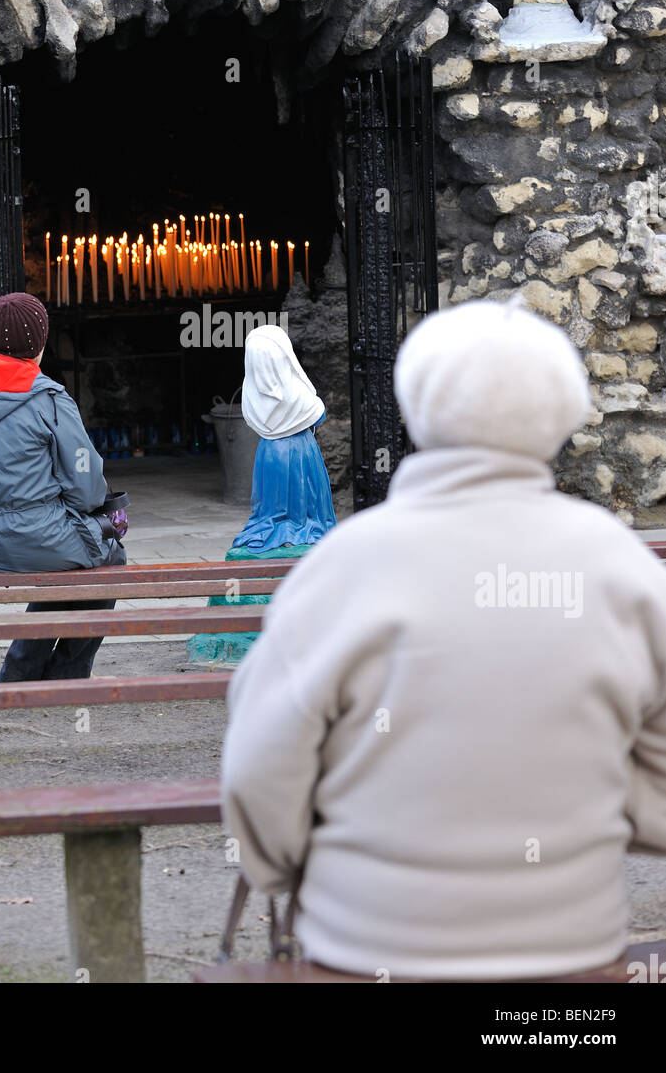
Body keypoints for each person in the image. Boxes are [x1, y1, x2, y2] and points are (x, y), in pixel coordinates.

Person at [221, 299, 666, 980]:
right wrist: (592, 809)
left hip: (366, 950)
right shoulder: (622, 569)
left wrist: (290, 863)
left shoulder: (341, 566)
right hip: (568, 958)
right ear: (564, 411)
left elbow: (261, 766)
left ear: (414, 402)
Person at [0, 291, 126, 682]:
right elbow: (87, 489)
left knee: (67, 556)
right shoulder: (48, 398)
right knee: (108, 557)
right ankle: (64, 676)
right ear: (39, 345)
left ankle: (21, 671)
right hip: (33, 539)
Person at [188, 325, 336, 664]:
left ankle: (274, 528)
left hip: (269, 457)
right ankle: (302, 524)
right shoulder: (300, 399)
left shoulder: (253, 400)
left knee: (269, 509)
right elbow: (321, 413)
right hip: (300, 455)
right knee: (306, 509)